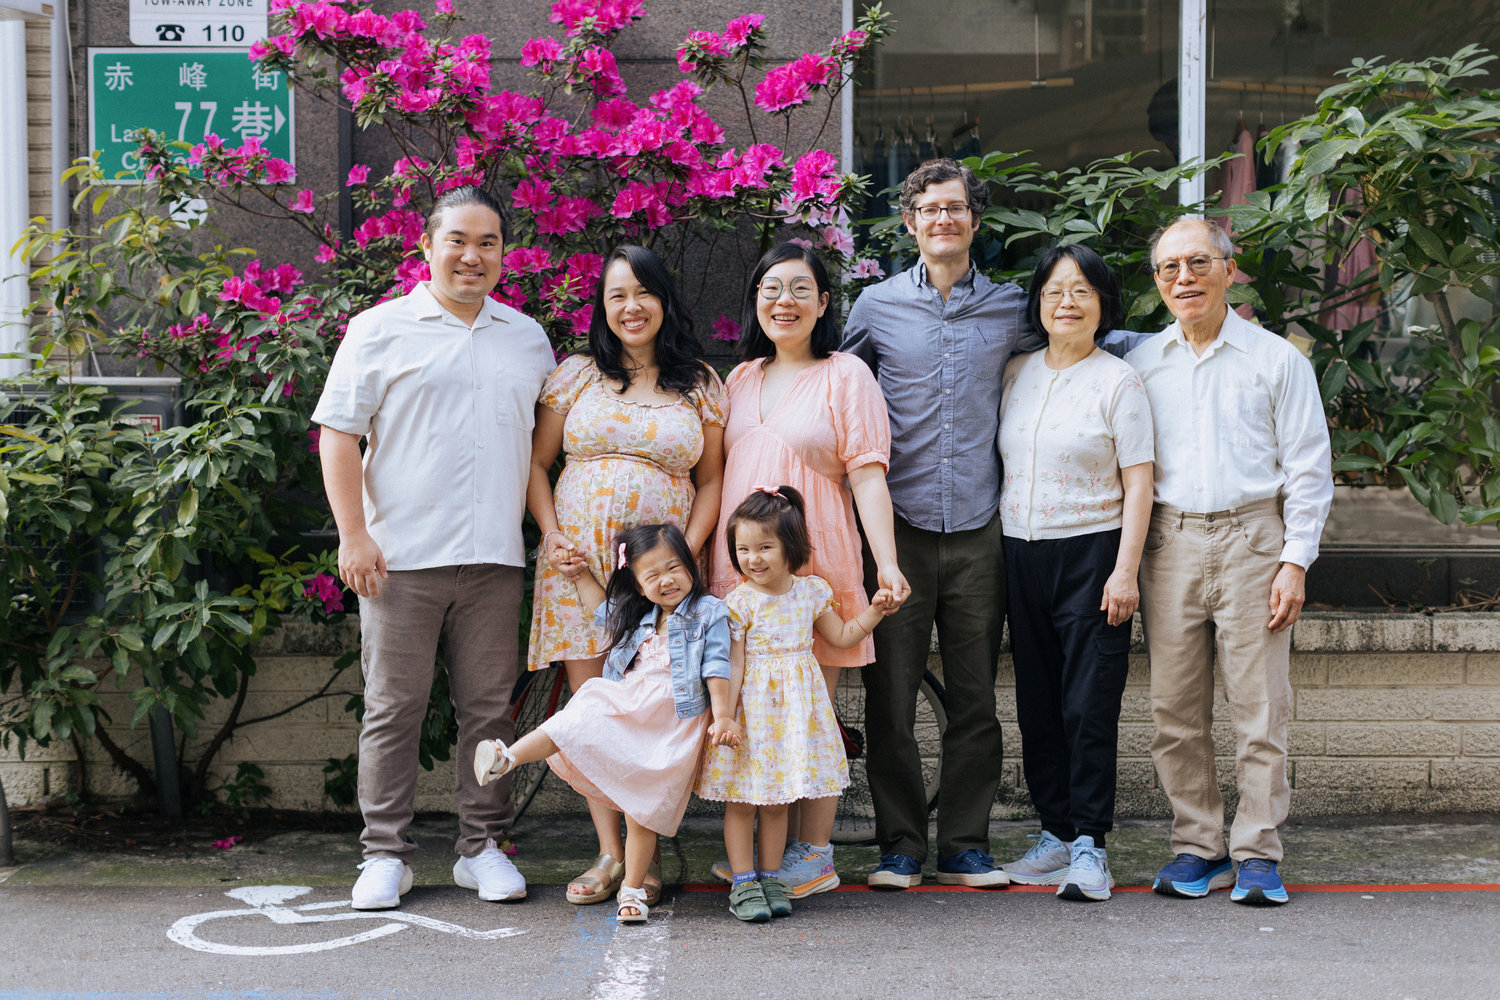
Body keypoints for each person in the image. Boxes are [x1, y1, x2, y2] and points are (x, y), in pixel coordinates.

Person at [312, 185, 555, 910]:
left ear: (504, 254)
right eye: (457, 240)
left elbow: (546, 449)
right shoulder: (380, 329)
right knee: (394, 708)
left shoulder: (528, 337)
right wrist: (353, 535)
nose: (472, 256)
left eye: (487, 243)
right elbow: (337, 435)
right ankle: (385, 854)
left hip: (494, 561)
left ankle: (480, 846)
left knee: (490, 713)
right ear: (426, 247)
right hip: (399, 558)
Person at [842, 157, 1043, 889]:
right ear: (908, 222)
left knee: (975, 697)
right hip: (895, 530)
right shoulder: (876, 307)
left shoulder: (1015, 307)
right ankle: (900, 845)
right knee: (890, 696)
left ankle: (964, 844)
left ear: (976, 222)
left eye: (955, 208)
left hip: (982, 530)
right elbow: (839, 391)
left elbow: (1064, 364)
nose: (942, 220)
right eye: (928, 210)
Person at [1125, 218, 1333, 906]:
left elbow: (1308, 470)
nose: (1183, 278)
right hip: (1170, 543)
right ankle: (1198, 846)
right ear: (1158, 283)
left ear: (1228, 268)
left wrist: (1296, 561)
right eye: (1168, 269)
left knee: (1259, 707)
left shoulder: (1278, 360)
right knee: (1174, 710)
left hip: (1254, 542)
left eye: (1196, 263)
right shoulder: (1142, 365)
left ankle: (1258, 851)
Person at [706, 243, 909, 898]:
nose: (784, 301)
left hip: (814, 564)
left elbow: (870, 476)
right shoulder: (737, 380)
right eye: (771, 288)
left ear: (824, 304)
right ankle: (767, 858)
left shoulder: (845, 374)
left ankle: (813, 854)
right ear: (756, 301)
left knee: (807, 711)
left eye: (800, 289)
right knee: (753, 709)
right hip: (739, 572)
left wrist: (888, 564)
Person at [526, 244, 727, 906]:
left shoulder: (697, 382)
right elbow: (539, 463)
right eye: (616, 295)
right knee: (596, 712)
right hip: (577, 566)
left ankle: (644, 857)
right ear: (602, 307)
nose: (630, 306)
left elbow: (712, 477)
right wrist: (552, 533)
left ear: (664, 300)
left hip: (660, 580)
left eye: (642, 292)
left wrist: (688, 558)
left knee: (654, 714)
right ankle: (610, 854)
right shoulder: (577, 375)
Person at [475, 523, 740, 924]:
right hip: (629, 705)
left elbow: (718, 665)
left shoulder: (709, 611)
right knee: (579, 714)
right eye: (652, 576)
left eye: (673, 568)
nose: (666, 581)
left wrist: (722, 715)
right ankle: (506, 758)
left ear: (690, 565)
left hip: (670, 724)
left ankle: (632, 890)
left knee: (641, 810)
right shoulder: (642, 615)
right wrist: (580, 575)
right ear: (636, 583)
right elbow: (602, 609)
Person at [994, 245, 1155, 902]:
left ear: (1103, 304)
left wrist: (1125, 572)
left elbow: (1140, 483)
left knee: (1088, 705)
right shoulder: (1016, 372)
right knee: (1037, 702)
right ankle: (1054, 833)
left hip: (1093, 553)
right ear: (1039, 301)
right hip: (1020, 552)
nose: (1067, 301)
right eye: (1056, 290)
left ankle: (1091, 844)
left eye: (1082, 291)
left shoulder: (1119, 380)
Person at [697, 487, 899, 922]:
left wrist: (876, 612)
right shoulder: (739, 602)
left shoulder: (810, 593)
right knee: (742, 801)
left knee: (777, 802)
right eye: (743, 548)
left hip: (791, 718)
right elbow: (732, 663)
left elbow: (843, 636)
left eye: (765, 547)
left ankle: (770, 877)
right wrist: (725, 715)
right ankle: (744, 882)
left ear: (792, 546)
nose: (753, 558)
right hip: (751, 717)